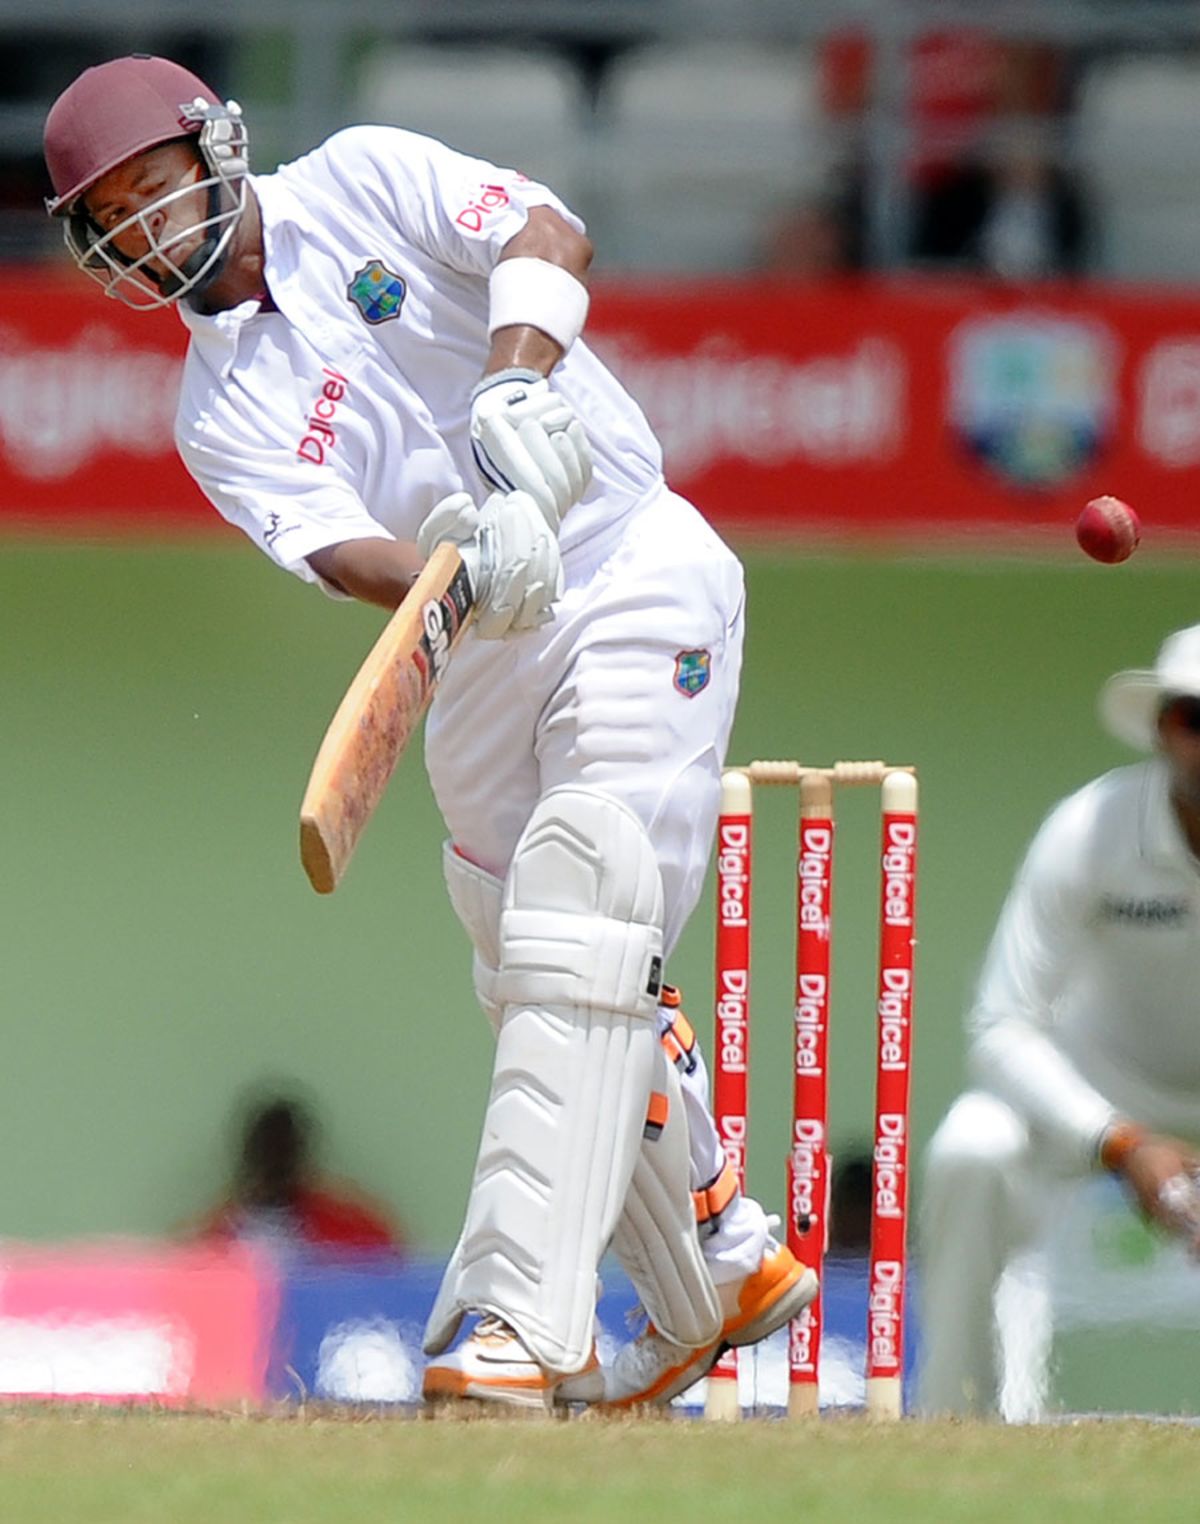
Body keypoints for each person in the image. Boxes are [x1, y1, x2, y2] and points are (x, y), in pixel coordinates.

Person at [42, 55, 816, 1413]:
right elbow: (342, 551)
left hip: (631, 564)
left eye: (153, 190)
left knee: (583, 911)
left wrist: (517, 386)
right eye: (113, 222)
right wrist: (462, 568)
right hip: (474, 648)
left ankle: (520, 1319)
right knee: (527, 956)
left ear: (216, 147)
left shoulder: (357, 178)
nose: (147, 233)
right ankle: (716, 1263)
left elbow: (547, 233)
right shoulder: (214, 412)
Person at [918, 624, 1200, 1421]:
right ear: (1162, 727)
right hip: (1102, 1087)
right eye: (1195, 718)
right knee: (972, 1147)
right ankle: (954, 1424)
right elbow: (1001, 1025)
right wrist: (1120, 1139)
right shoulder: (1093, 828)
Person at [192, 1089, 406, 1257]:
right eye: (266, 1149)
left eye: (284, 1150)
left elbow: (393, 1277)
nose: (274, 1162)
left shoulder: (355, 1229)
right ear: (248, 1156)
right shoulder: (212, 1239)